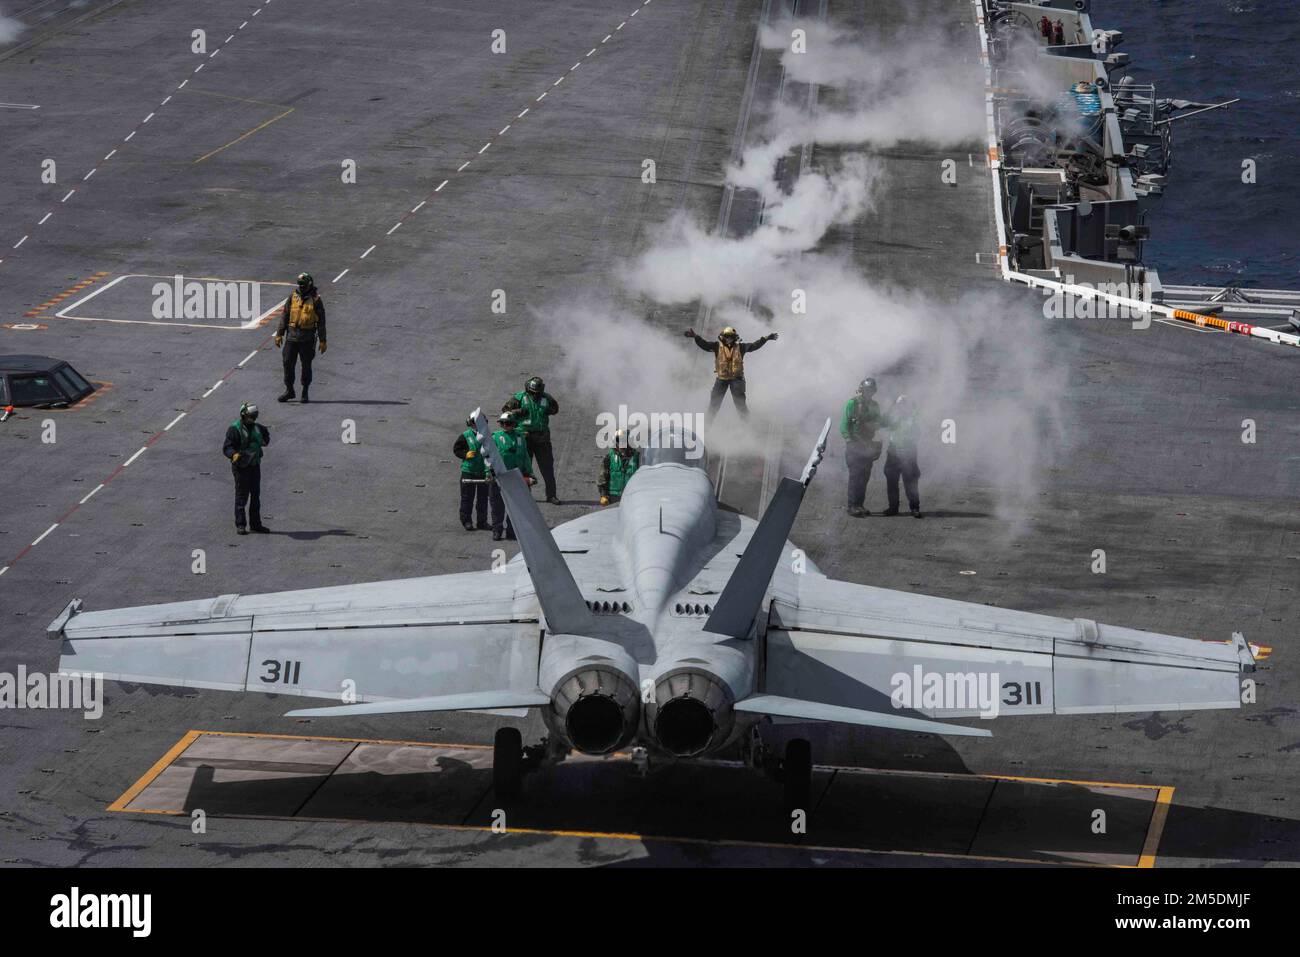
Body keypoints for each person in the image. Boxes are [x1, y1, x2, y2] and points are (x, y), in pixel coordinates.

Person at [684, 325, 778, 422]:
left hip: (737, 379)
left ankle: (748, 426)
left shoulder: (741, 347)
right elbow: (705, 345)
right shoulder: (717, 346)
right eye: (726, 336)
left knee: (740, 405)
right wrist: (695, 337)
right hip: (721, 379)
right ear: (723, 337)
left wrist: (766, 338)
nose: (728, 339)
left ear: (734, 337)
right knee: (713, 405)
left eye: (731, 337)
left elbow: (754, 345)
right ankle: (706, 426)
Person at [275, 272, 327, 403]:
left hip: (307, 338)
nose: (301, 287)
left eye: (303, 285)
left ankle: (305, 391)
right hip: (291, 337)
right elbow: (285, 316)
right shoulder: (292, 297)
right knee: (287, 363)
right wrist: (279, 334)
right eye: (300, 285)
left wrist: (323, 340)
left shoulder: (316, 300)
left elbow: (321, 321)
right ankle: (289, 390)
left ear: (310, 284)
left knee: (306, 365)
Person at [510, 376, 561, 504]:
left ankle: (551, 495)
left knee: (547, 467)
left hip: (542, 438)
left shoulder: (546, 398)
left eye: (537, 393)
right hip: (525, 437)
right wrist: (518, 412)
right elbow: (506, 412)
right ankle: (525, 495)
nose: (534, 395)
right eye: (532, 392)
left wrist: (548, 411)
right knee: (524, 467)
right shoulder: (519, 397)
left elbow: (555, 409)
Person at [839, 378, 886, 517]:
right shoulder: (852, 403)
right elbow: (844, 425)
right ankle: (852, 506)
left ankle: (860, 505)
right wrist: (849, 441)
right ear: (862, 389)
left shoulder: (874, 405)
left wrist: (875, 425)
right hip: (854, 443)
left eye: (871, 390)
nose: (869, 393)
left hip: (868, 443)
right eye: (867, 390)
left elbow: (879, 421)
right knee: (855, 476)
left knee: (865, 476)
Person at [222, 402, 271, 534]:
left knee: (255, 495)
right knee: (242, 495)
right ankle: (241, 524)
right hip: (241, 466)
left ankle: (255, 524)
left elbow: (266, 435)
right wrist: (233, 454)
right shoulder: (234, 429)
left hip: (254, 465)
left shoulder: (257, 428)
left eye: (254, 417)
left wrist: (264, 441)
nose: (253, 419)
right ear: (243, 415)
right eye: (251, 417)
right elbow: (227, 447)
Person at [489, 411, 534, 541]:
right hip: (499, 476)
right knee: (497, 506)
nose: (506, 425)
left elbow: (525, 456)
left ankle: (511, 531)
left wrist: (529, 473)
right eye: (503, 423)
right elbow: (488, 457)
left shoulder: (520, 437)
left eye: (508, 423)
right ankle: (497, 530)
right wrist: (488, 472)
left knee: (515, 506)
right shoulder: (495, 437)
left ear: (513, 424)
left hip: (515, 476)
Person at [882, 394, 922, 518]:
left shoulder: (913, 418)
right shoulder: (893, 417)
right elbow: (883, 422)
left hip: (908, 451)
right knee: (892, 480)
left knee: (910, 481)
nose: (901, 408)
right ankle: (893, 507)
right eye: (899, 405)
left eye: (904, 405)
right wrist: (891, 407)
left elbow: (918, 431)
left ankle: (914, 507)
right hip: (893, 450)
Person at [452, 414, 491, 531]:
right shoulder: (465, 436)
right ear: (471, 423)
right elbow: (456, 449)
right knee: (467, 498)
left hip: (483, 471)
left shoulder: (488, 436)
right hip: (468, 471)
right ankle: (466, 521)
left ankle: (482, 522)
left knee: (483, 498)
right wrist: (465, 454)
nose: (476, 425)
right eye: (474, 423)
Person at [598, 430, 640, 505]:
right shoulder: (609, 457)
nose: (621, 443)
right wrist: (603, 495)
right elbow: (602, 477)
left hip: (631, 497)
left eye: (624, 440)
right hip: (613, 498)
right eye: (619, 440)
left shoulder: (637, 457)